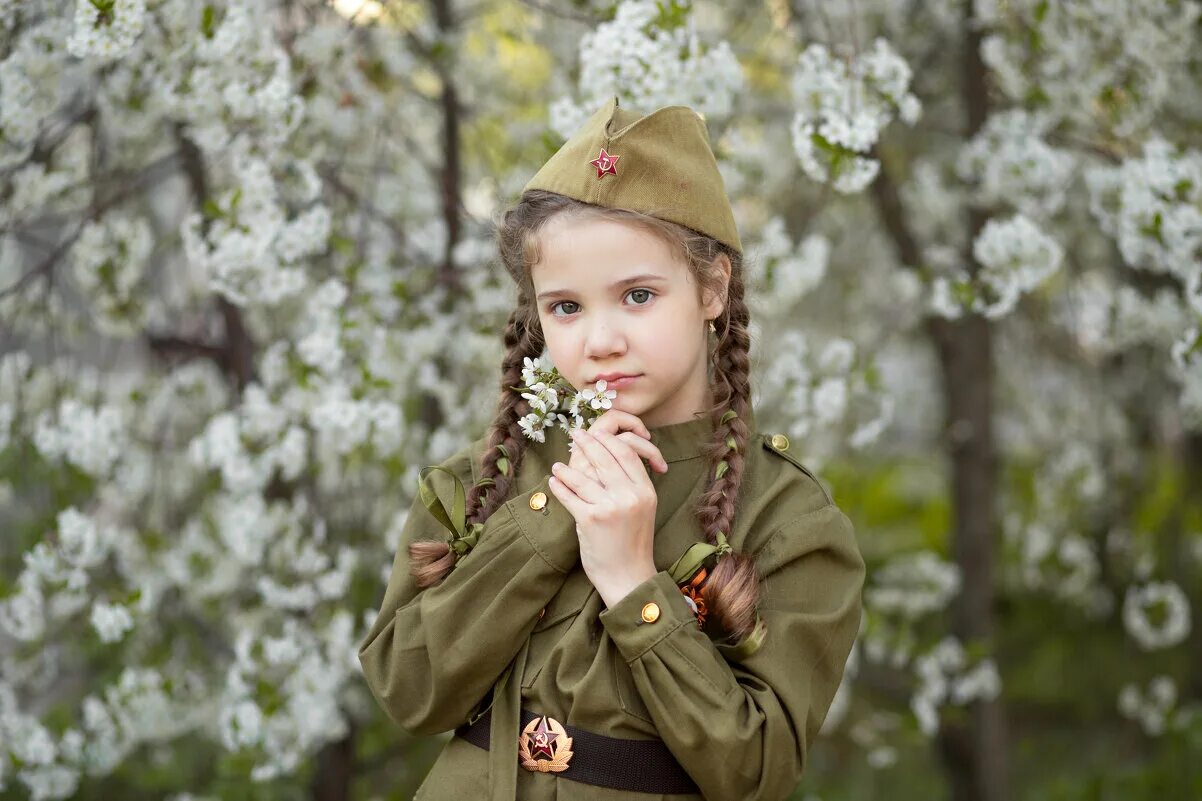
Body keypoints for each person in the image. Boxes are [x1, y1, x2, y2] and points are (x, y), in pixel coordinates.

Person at [357, 94, 866, 801]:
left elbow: (757, 771)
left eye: (637, 295)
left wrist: (633, 583)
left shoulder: (788, 517)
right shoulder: (481, 480)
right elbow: (409, 693)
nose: (600, 341)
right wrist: (545, 523)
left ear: (712, 286)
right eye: (566, 306)